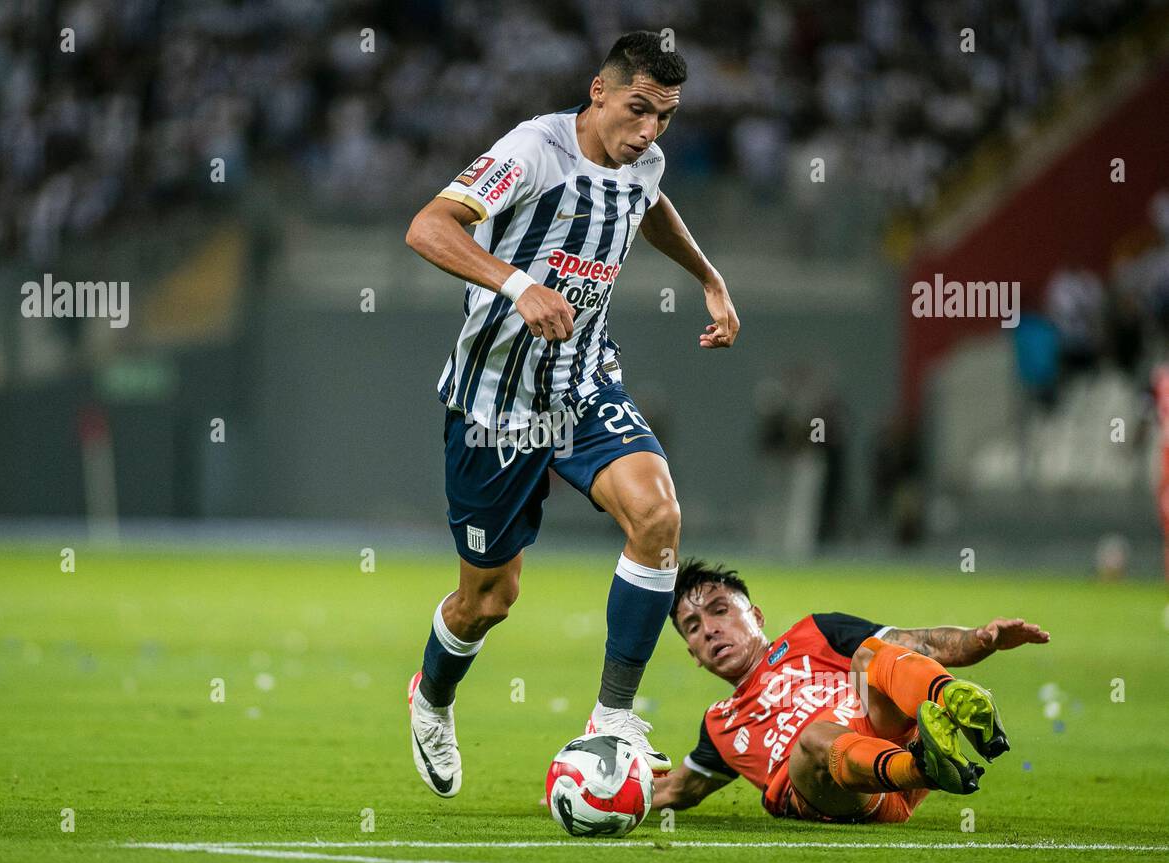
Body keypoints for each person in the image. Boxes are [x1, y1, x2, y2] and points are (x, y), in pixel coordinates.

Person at [403, 32, 740, 797]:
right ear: (599, 92)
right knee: (489, 599)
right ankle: (432, 696)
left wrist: (710, 279)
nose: (651, 130)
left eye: (666, 115)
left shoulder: (643, 160)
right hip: (496, 406)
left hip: (585, 385)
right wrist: (518, 285)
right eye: (638, 108)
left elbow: (648, 205)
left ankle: (612, 718)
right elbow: (428, 226)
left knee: (656, 513)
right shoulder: (532, 150)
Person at [652, 560, 1050, 822]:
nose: (709, 629)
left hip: (883, 731)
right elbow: (675, 789)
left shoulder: (815, 632)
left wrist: (983, 639)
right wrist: (598, 793)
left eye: (720, 610)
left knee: (870, 654)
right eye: (692, 626)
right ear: (695, 655)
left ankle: (953, 701)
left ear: (755, 616)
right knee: (812, 739)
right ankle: (926, 767)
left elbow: (920, 644)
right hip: (840, 789)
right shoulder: (721, 724)